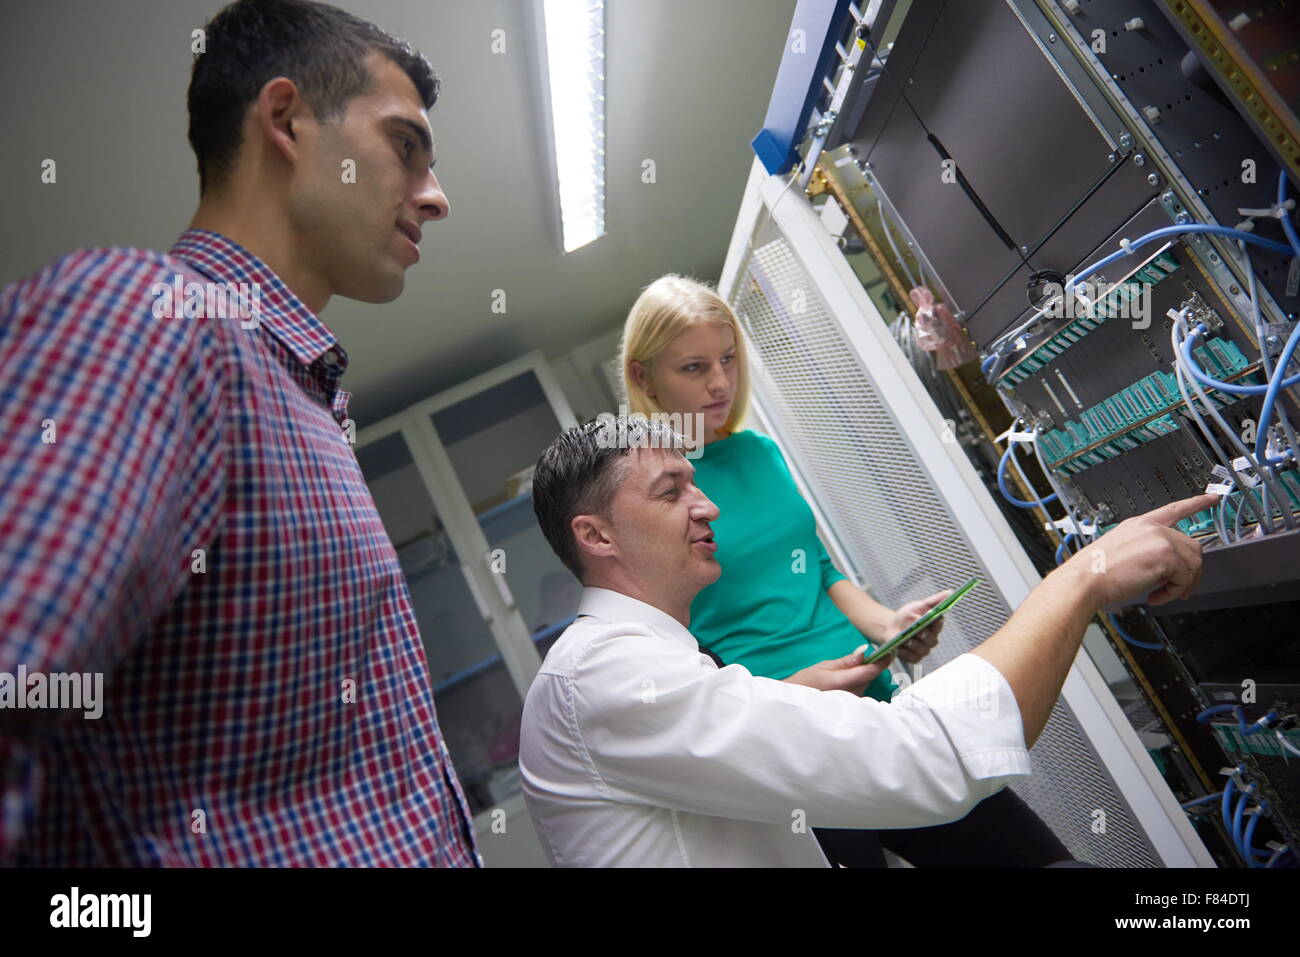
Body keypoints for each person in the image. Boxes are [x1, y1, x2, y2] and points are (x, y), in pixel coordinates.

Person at [0, 0, 473, 866]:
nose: (436, 197)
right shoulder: (149, 314)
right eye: (406, 146)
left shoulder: (304, 401)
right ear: (286, 117)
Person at [518, 416, 1212, 866]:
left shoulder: (649, 662)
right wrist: (1079, 580)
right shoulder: (603, 674)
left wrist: (791, 695)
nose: (709, 505)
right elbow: (930, 762)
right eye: (672, 492)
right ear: (597, 535)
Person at [618, 274, 1081, 866]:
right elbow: (674, 647)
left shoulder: (759, 452)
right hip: (791, 745)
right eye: (693, 368)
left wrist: (888, 625)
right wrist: (778, 700)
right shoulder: (647, 491)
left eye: (728, 360)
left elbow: (817, 570)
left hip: (873, 706)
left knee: (1037, 860)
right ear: (642, 376)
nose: (719, 383)